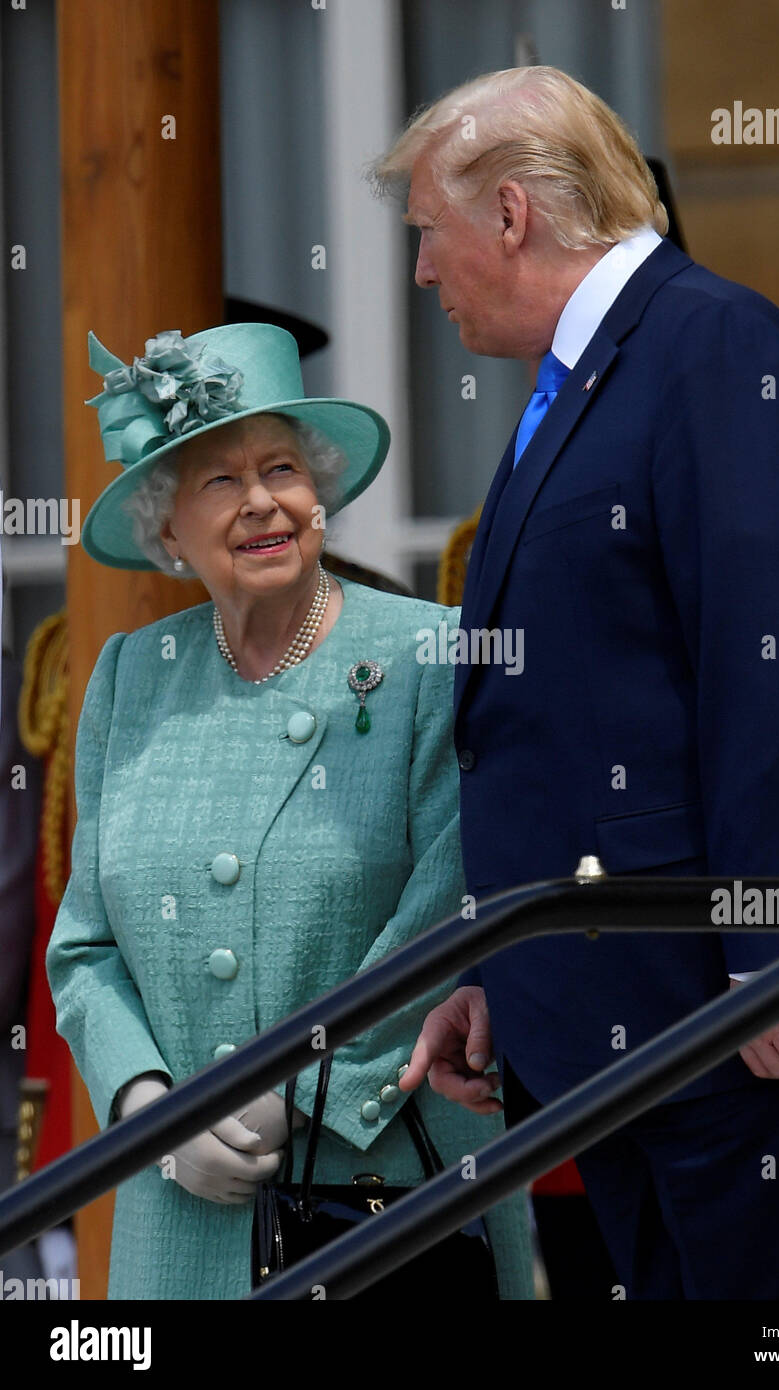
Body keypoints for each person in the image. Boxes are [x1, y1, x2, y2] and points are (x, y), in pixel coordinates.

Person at [372, 66, 779, 1299]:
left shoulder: (715, 342)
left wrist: (769, 942)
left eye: (427, 231)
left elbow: (771, 663)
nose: (421, 271)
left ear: (511, 214)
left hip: (729, 1016)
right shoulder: (585, 378)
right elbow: (568, 716)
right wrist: (499, 973)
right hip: (617, 1011)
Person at [46, 322, 533, 1299]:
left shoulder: (426, 652)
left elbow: (444, 917)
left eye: (281, 467)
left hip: (386, 1199)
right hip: (179, 1219)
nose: (261, 500)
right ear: (167, 525)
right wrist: (148, 1109)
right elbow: (85, 950)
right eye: (220, 480)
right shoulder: (129, 676)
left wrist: (294, 1096)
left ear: (321, 494)